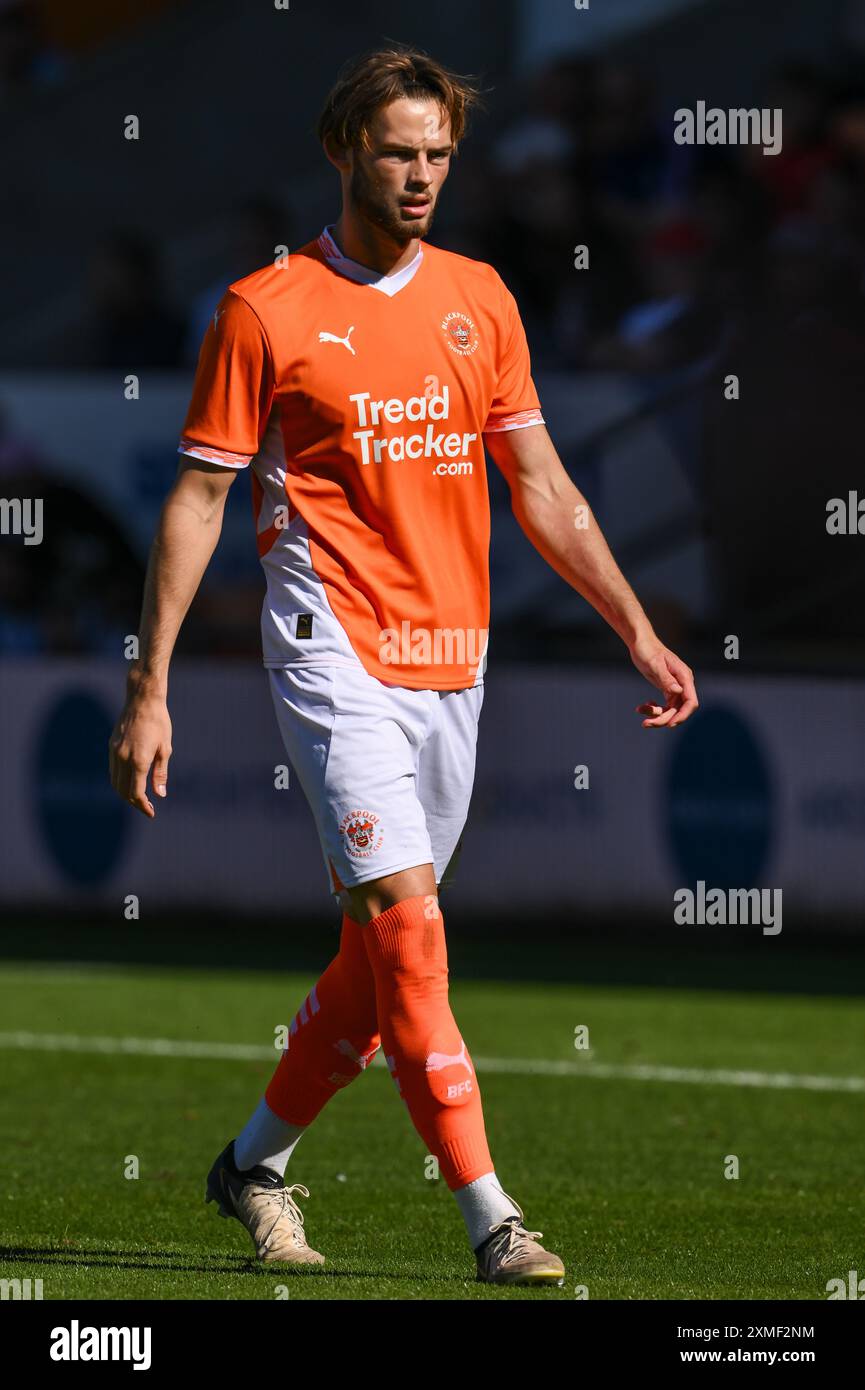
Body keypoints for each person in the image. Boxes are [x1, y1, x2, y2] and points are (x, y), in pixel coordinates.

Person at [108, 45, 699, 1288]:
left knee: (378, 971)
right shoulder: (265, 308)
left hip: (451, 660)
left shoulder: (480, 297)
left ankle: (250, 1165)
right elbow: (199, 498)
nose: (422, 175)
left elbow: (541, 485)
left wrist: (635, 627)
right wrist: (148, 686)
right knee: (409, 934)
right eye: (397, 153)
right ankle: (494, 1219)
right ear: (343, 151)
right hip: (330, 646)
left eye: (438, 154)